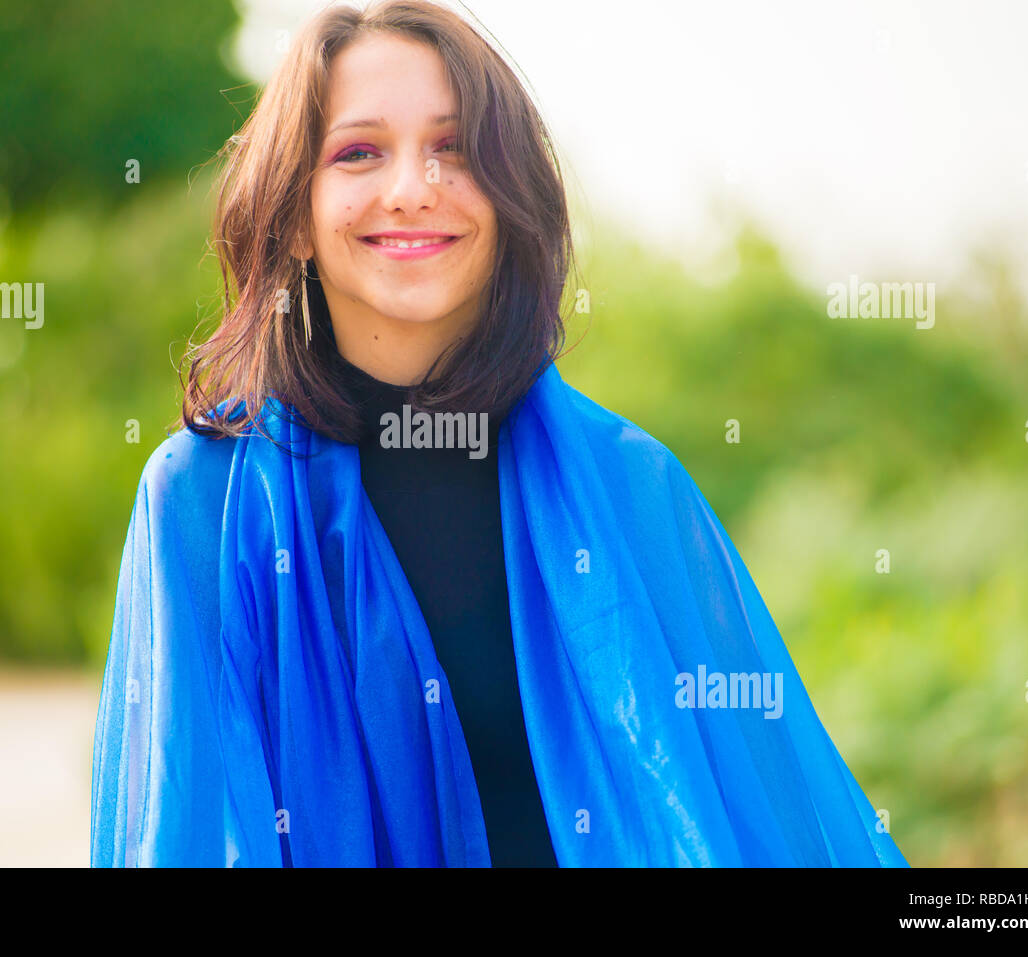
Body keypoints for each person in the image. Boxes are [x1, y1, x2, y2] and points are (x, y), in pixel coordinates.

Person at [90, 0, 908, 868]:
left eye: (455, 148)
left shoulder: (632, 486)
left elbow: (759, 820)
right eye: (360, 152)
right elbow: (185, 830)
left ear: (511, 195)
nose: (413, 187)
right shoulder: (202, 502)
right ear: (294, 213)